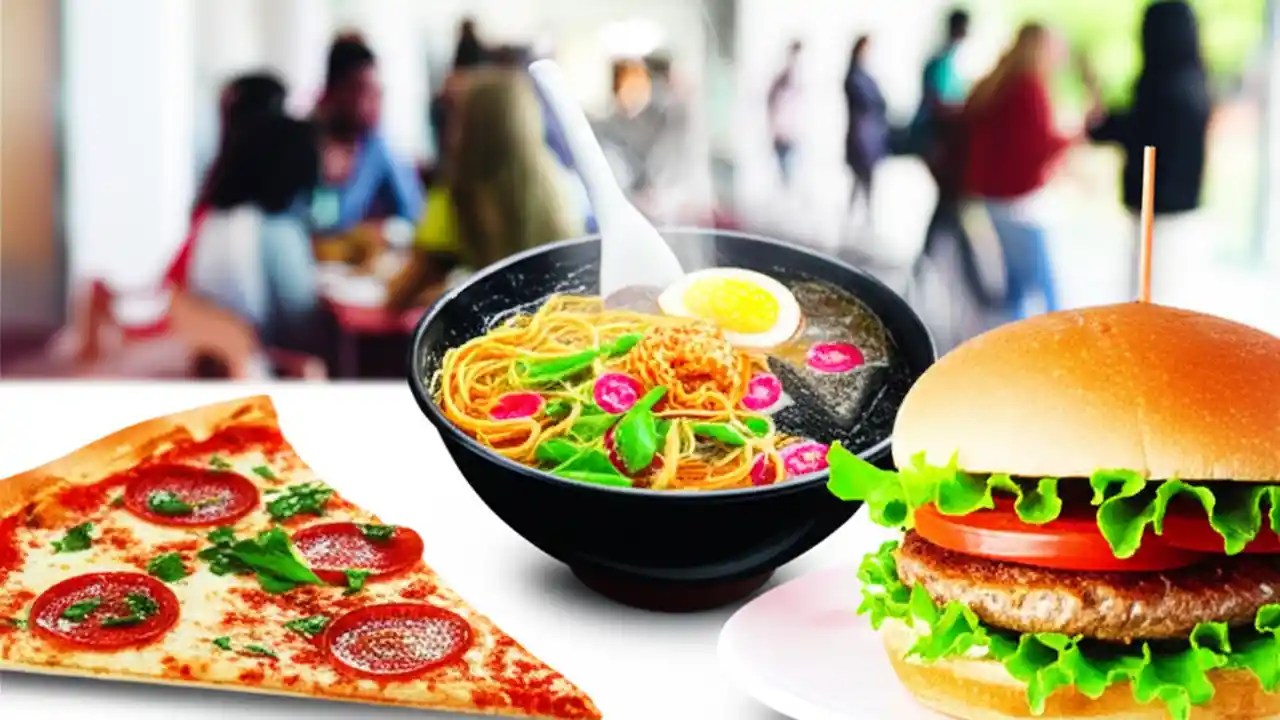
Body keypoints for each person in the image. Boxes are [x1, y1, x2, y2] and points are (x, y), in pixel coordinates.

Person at [388, 69, 586, 309]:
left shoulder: (456, 197)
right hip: (565, 328)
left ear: (467, 128)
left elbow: (400, 295)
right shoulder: (564, 186)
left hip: (494, 337)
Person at [1086, 0, 1210, 303]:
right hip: (1184, 213)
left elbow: (1120, 132)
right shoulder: (1196, 83)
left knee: (1149, 307)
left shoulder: (1158, 88)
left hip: (1155, 216)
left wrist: (1096, 102)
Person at [189, 115, 325, 354]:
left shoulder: (219, 218)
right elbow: (301, 324)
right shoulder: (278, 231)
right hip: (261, 365)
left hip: (218, 352)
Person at [964, 23, 1072, 319]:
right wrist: (1075, 135)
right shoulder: (1027, 88)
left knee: (1016, 281)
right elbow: (1036, 145)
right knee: (1042, 285)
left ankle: (1008, 344)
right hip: (1018, 197)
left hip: (993, 194)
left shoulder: (998, 83)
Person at [312, 35, 423, 237]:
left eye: (378, 93)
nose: (375, 104)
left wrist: (381, 229)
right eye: (364, 92)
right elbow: (322, 223)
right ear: (334, 93)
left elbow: (412, 212)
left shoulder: (376, 147)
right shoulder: (310, 145)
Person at [844, 36, 889, 217]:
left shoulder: (864, 76)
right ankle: (860, 214)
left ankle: (860, 214)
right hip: (861, 134)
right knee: (862, 177)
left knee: (863, 179)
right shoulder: (855, 77)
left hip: (870, 134)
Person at [767, 41, 803, 185]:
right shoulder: (782, 81)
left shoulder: (799, 79)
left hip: (793, 131)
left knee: (792, 171)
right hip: (784, 131)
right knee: (786, 172)